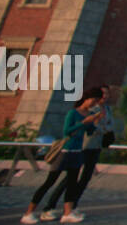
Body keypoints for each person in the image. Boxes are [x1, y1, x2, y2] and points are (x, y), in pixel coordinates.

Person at [21, 92, 104, 224]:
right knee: (50, 181)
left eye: (96, 102)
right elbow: (67, 131)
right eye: (93, 101)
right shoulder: (73, 113)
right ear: (86, 99)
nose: (94, 104)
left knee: (72, 184)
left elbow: (88, 131)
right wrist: (83, 122)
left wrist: (94, 122)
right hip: (65, 151)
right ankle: (28, 213)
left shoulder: (88, 115)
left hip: (77, 152)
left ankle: (67, 213)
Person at [41, 85, 115, 217]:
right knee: (69, 180)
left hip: (96, 146)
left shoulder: (107, 109)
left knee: (85, 178)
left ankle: (72, 206)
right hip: (84, 145)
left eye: (107, 94)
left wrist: (102, 127)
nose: (105, 97)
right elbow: (89, 126)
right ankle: (50, 206)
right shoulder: (91, 109)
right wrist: (99, 125)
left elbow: (110, 125)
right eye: (102, 94)